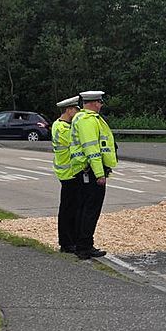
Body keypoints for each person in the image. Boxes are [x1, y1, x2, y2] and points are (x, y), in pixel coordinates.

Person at [69, 90, 116, 260]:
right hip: (90, 171)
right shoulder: (88, 121)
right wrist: (99, 173)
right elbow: (92, 149)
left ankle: (82, 244)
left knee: (84, 208)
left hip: (84, 171)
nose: (101, 104)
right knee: (90, 210)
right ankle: (84, 246)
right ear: (94, 103)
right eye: (100, 101)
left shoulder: (81, 118)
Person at [52, 95, 82, 253]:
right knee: (68, 210)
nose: (78, 112)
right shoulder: (62, 128)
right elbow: (77, 143)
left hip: (69, 173)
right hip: (69, 173)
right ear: (69, 110)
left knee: (71, 209)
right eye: (76, 109)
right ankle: (66, 242)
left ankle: (71, 240)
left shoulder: (61, 125)